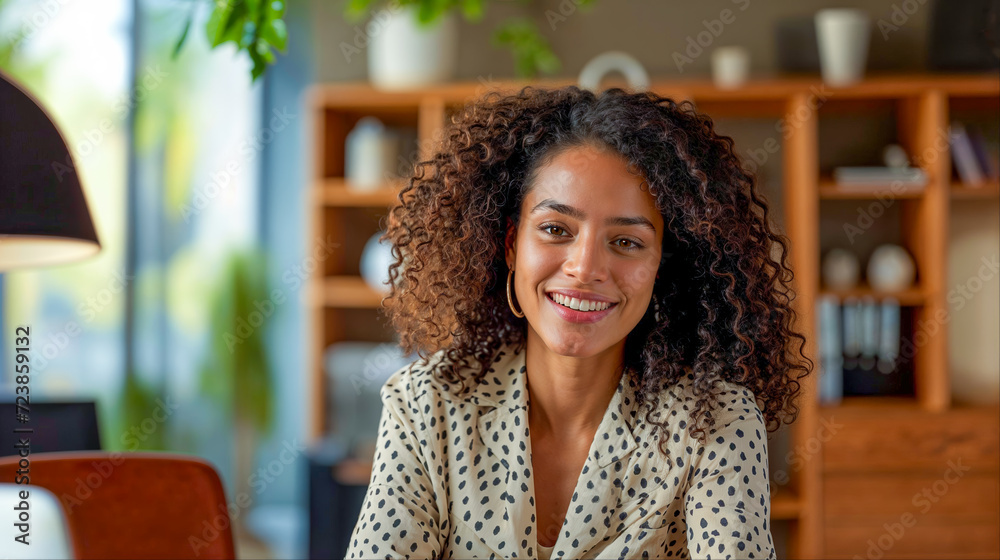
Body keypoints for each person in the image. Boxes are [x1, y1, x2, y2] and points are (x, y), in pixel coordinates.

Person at [345, 85, 811, 560]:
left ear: (662, 267)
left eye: (627, 241)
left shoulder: (715, 423)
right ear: (511, 244)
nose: (585, 268)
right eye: (555, 230)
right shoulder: (427, 405)